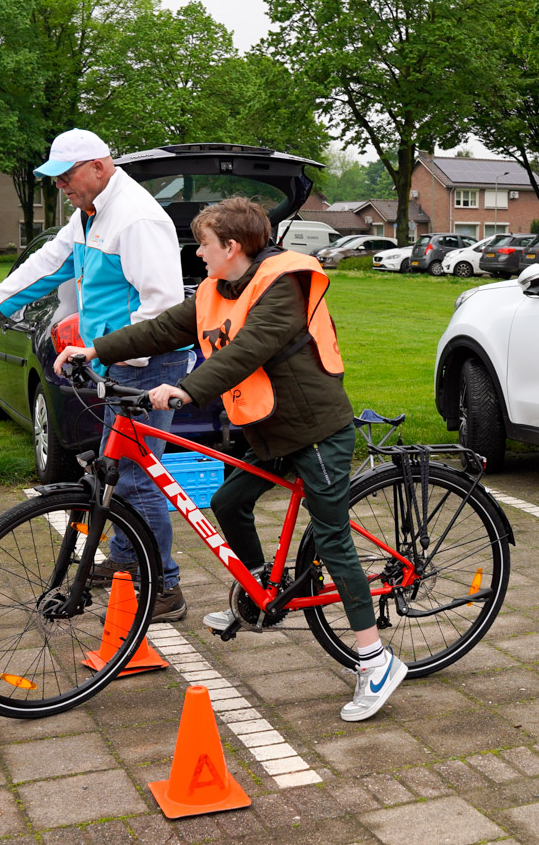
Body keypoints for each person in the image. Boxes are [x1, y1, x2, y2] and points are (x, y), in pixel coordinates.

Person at [56, 197, 401, 723]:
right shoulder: (217, 289)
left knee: (332, 539)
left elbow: (249, 350)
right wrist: (95, 349)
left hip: (315, 431)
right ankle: (261, 591)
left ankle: (375, 660)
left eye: (205, 244)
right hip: (270, 431)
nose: (198, 253)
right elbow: (160, 329)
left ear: (232, 246)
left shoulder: (283, 286)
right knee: (229, 501)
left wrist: (187, 389)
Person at [0, 128, 192, 622]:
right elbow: (50, 263)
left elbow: (163, 309)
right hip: (119, 360)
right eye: (56, 178)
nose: (60, 186)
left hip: (151, 363)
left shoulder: (137, 218)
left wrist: (108, 354)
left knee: (136, 478)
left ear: (98, 168)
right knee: (115, 471)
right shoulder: (89, 213)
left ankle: (165, 587)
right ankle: (129, 559)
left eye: (66, 176)